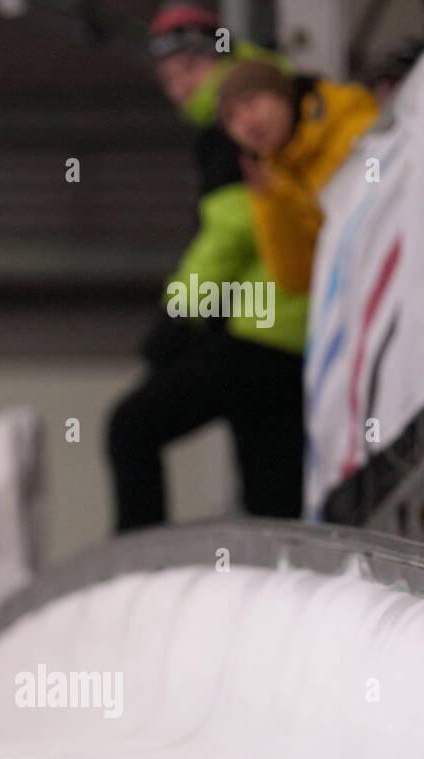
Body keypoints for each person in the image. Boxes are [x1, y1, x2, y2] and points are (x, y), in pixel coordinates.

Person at [106, 3, 307, 532]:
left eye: (188, 70)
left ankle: (138, 562)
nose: (178, 88)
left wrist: (177, 314)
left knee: (131, 427)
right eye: (168, 79)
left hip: (262, 324)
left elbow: (231, 232)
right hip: (285, 328)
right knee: (271, 487)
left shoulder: (236, 118)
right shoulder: (267, 98)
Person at [218, 60, 379, 297]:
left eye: (251, 103)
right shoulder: (275, 179)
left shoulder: (352, 122)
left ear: (282, 95)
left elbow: (381, 193)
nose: (247, 123)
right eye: (232, 119)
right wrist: (272, 202)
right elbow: (295, 278)